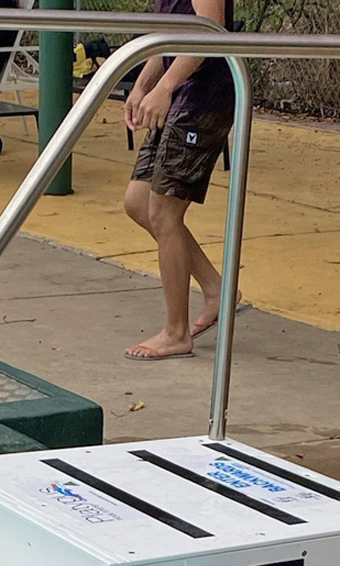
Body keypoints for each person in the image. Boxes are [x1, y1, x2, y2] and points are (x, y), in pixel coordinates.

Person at [121, 0, 238, 361]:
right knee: (138, 201)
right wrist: (143, 86)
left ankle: (176, 333)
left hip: (202, 98)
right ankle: (216, 289)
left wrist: (165, 87)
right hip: (178, 94)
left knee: (164, 211)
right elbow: (169, 35)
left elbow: (210, 31)